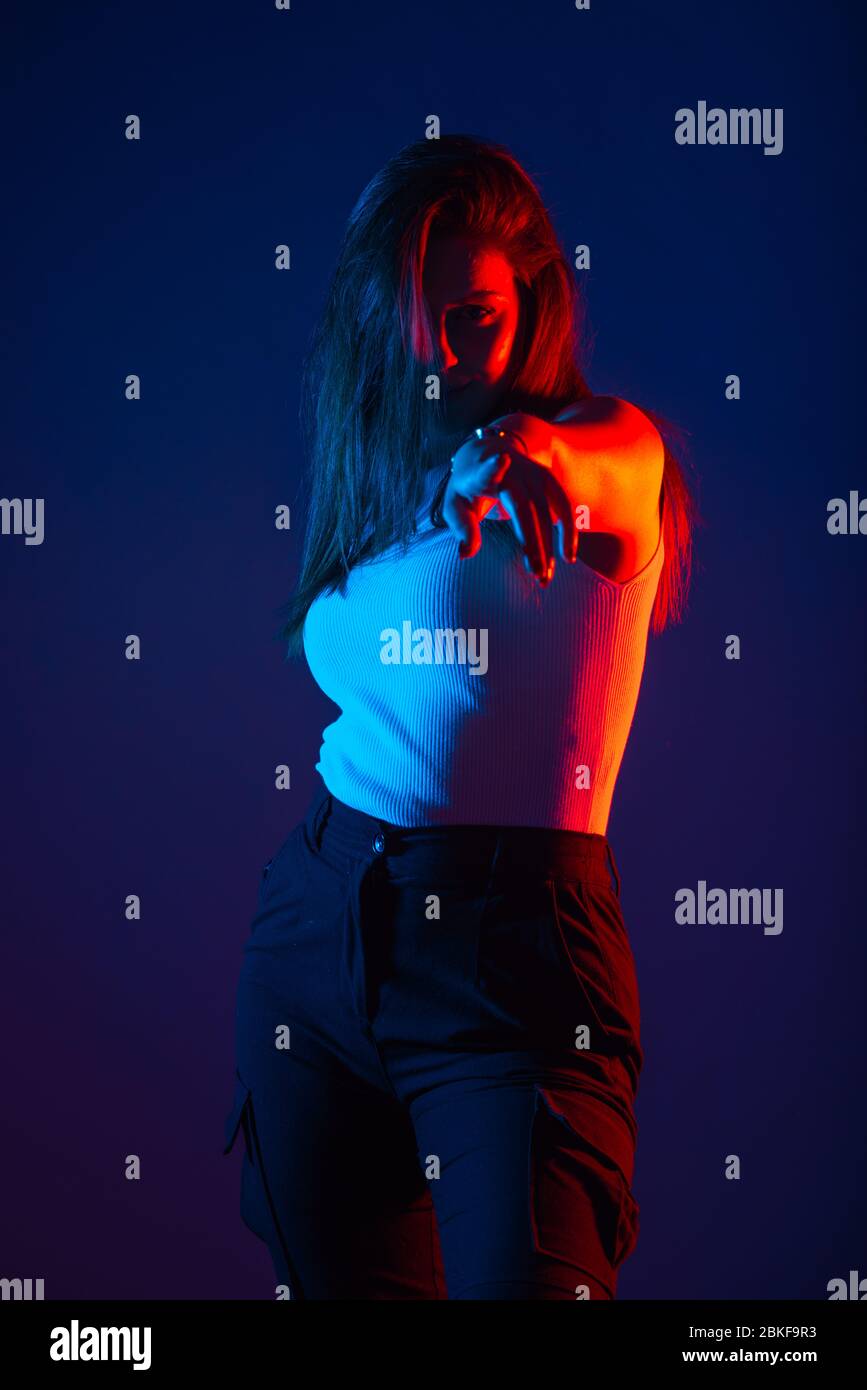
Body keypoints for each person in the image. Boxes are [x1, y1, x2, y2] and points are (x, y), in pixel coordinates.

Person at [222, 134, 696, 1300]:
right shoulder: (384, 477)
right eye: (417, 321)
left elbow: (608, 465)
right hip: (320, 930)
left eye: (476, 315)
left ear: (532, 299)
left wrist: (523, 447)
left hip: (517, 962)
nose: (444, 353)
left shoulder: (605, 449)